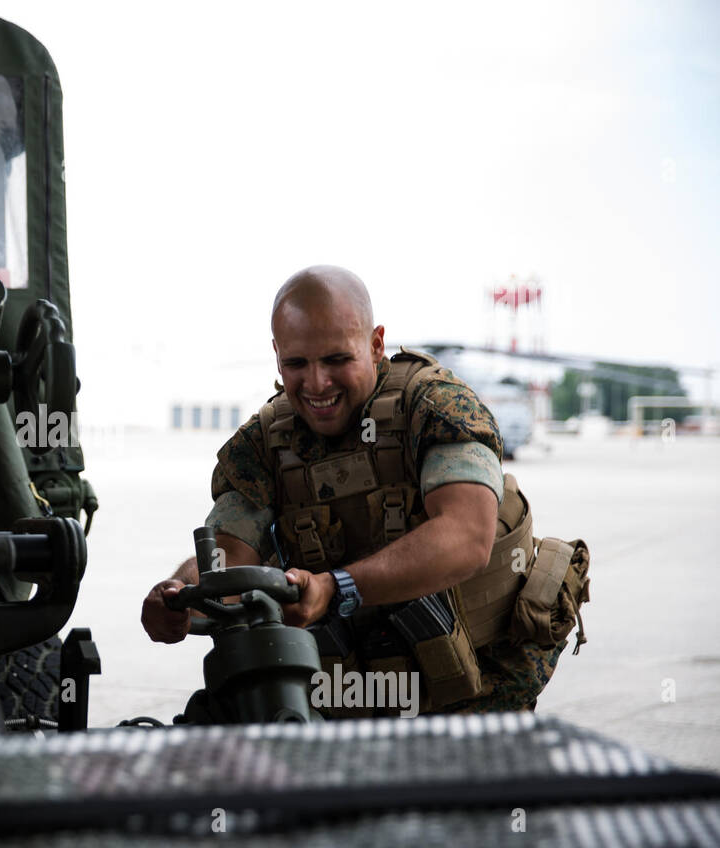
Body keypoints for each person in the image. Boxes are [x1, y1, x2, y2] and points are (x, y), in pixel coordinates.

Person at [140, 265, 589, 718]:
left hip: (474, 701)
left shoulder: (435, 407)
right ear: (277, 354)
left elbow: (467, 536)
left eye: (337, 360)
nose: (316, 384)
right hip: (350, 702)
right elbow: (228, 554)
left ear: (376, 345)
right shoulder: (266, 442)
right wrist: (183, 593)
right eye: (296, 364)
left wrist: (336, 588)